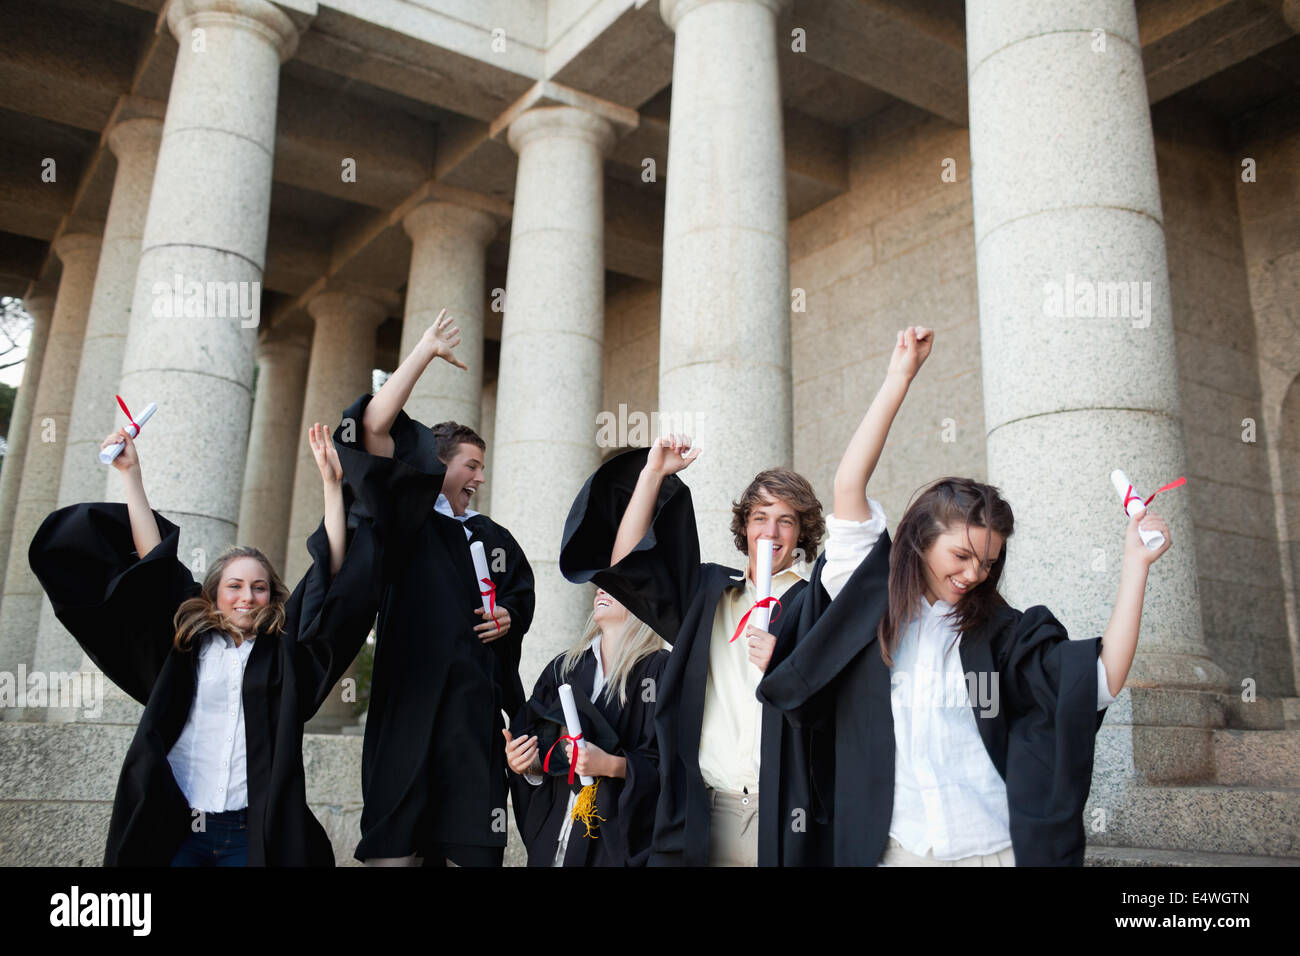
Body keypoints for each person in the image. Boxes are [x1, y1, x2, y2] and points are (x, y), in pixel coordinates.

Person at [758, 326, 1172, 866]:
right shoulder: (869, 604)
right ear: (921, 541)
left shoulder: (1004, 635)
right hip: (895, 852)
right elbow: (848, 486)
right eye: (961, 556)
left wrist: (1135, 567)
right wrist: (899, 378)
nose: (975, 573)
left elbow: (1099, 679)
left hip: (991, 851)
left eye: (989, 562)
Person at [27, 419, 401, 866]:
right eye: (235, 586)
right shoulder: (186, 644)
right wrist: (131, 474)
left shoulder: (282, 650)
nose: (247, 597)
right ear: (214, 593)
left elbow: (330, 574)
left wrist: (331, 485)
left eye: (259, 587)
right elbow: (155, 563)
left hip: (250, 833)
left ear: (271, 594)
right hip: (178, 829)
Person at [559, 440, 832, 866]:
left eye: (786, 521)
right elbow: (626, 568)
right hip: (705, 810)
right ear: (744, 528)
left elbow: (836, 705)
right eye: (760, 518)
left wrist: (788, 667)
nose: (771, 533)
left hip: (782, 812)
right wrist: (652, 475)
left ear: (802, 533)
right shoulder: (709, 593)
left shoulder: (816, 603)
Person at [334, 310, 535, 868]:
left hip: (472, 723)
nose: (480, 477)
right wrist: (421, 353)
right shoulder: (405, 520)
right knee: (397, 851)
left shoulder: (491, 537)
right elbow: (371, 430)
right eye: (471, 464)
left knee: (472, 850)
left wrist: (511, 617)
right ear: (436, 464)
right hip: (409, 709)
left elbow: (520, 591)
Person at [505, 588, 667, 866]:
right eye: (601, 583)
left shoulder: (659, 671)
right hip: (555, 837)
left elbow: (669, 765)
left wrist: (610, 765)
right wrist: (526, 763)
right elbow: (539, 747)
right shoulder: (564, 667)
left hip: (613, 845)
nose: (601, 589)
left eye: (616, 584)